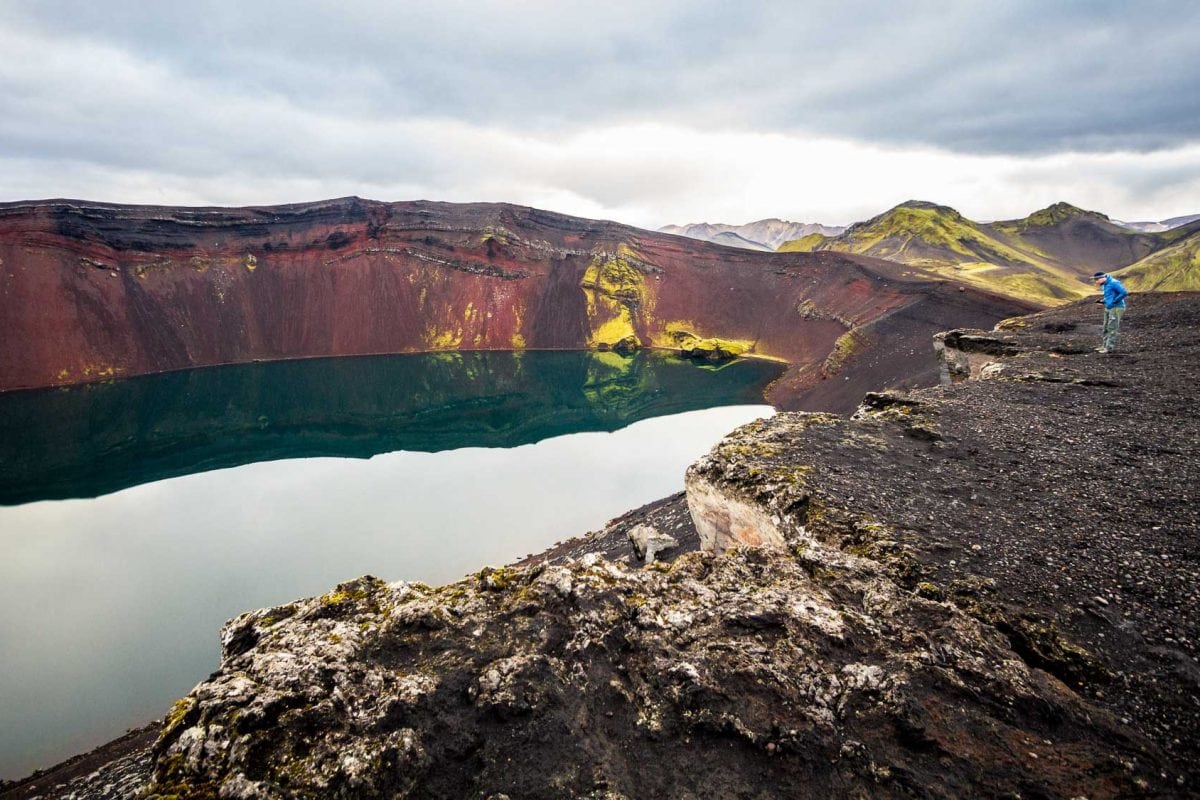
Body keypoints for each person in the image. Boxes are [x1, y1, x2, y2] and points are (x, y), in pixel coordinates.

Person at [1092, 271, 1128, 353]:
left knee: (1112, 327)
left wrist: (1115, 301)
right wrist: (1103, 301)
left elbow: (1124, 292)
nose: (1096, 282)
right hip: (1109, 307)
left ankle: (1109, 348)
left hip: (1116, 308)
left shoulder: (1113, 283)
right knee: (1105, 327)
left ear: (1102, 278)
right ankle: (1104, 346)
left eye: (1096, 280)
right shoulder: (1105, 284)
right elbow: (1110, 295)